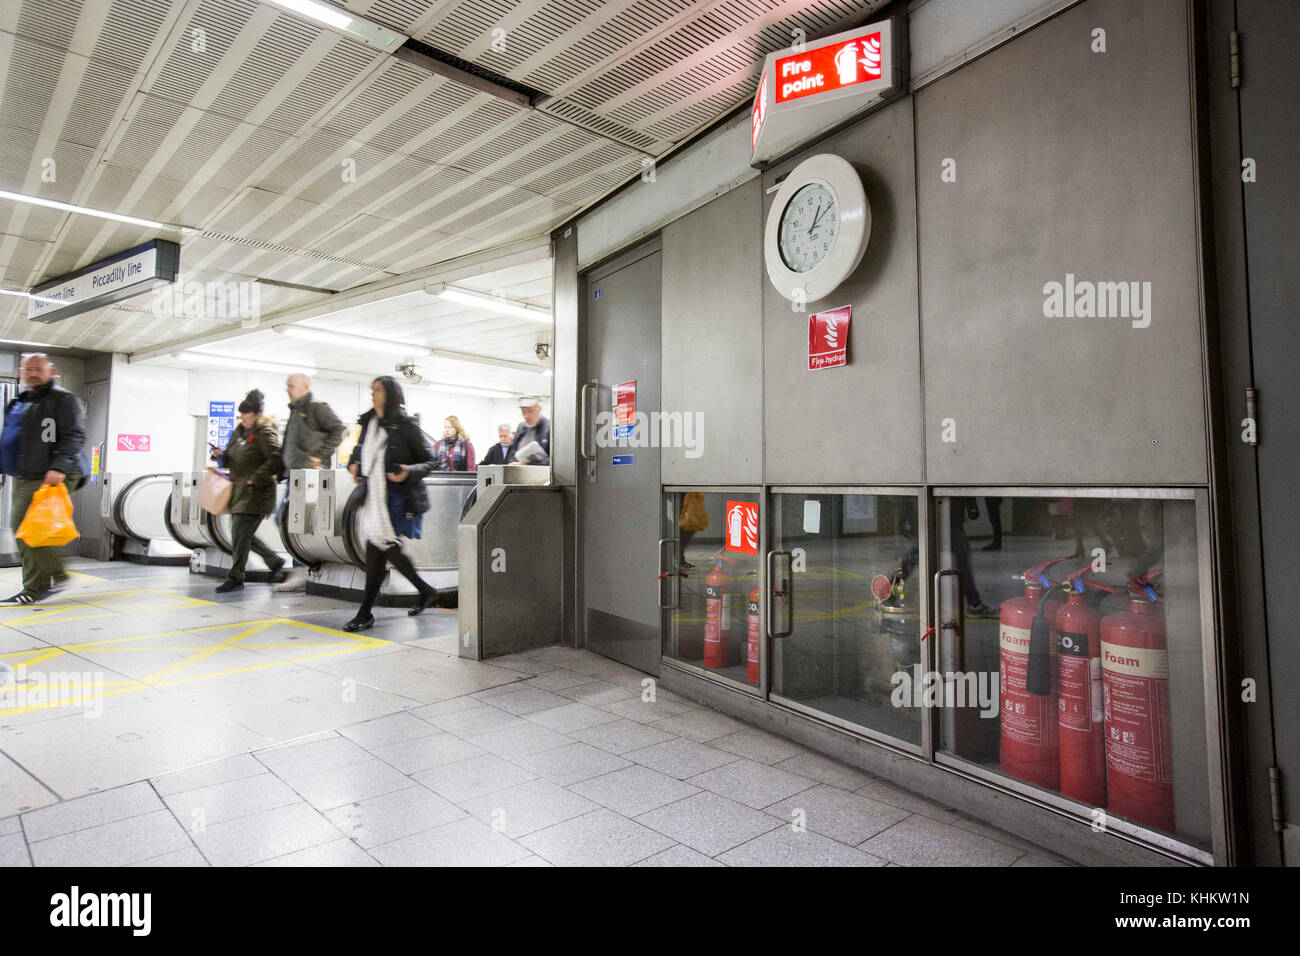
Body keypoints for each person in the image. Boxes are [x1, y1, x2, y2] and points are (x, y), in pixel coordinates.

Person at [343, 376, 440, 632]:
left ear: (390, 394)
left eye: (377, 389)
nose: (372, 393)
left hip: (397, 498)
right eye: (372, 388)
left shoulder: (406, 425)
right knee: (388, 549)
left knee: (377, 549)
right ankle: (425, 590)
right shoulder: (368, 422)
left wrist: (408, 471)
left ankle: (365, 613)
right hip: (375, 497)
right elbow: (360, 450)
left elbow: (431, 460)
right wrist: (353, 463)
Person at [1, 353, 85, 604]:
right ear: (21, 372)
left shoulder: (63, 399)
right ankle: (46, 581)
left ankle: (43, 583)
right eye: (29, 370)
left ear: (51, 371)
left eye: (38, 369)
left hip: (53, 473)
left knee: (28, 530)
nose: (33, 373)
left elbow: (74, 436)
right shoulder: (20, 400)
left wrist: (58, 467)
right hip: (26, 474)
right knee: (27, 530)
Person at [213, 389, 286, 593]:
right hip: (238, 490)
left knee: (240, 533)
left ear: (257, 415)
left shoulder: (265, 432)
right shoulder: (239, 431)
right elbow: (230, 456)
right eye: (241, 415)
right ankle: (275, 561)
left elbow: (276, 459)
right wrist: (221, 455)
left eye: (246, 415)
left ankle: (235, 577)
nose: (242, 419)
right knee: (241, 535)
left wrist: (257, 477)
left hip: (256, 493)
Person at [277, 373, 345, 591]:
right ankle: (302, 567)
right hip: (294, 477)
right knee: (287, 520)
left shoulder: (316, 408)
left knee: (295, 522)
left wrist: (320, 456)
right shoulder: (295, 411)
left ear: (305, 386)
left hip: (309, 477)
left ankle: (303, 569)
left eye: (291, 385)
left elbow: (340, 429)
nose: (287, 389)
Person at [505, 397, 550, 465]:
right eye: (523, 411)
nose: (526, 416)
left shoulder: (549, 428)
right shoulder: (521, 427)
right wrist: (513, 463)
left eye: (530, 411)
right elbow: (512, 452)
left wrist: (527, 464)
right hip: (519, 473)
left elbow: (554, 462)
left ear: (539, 409)